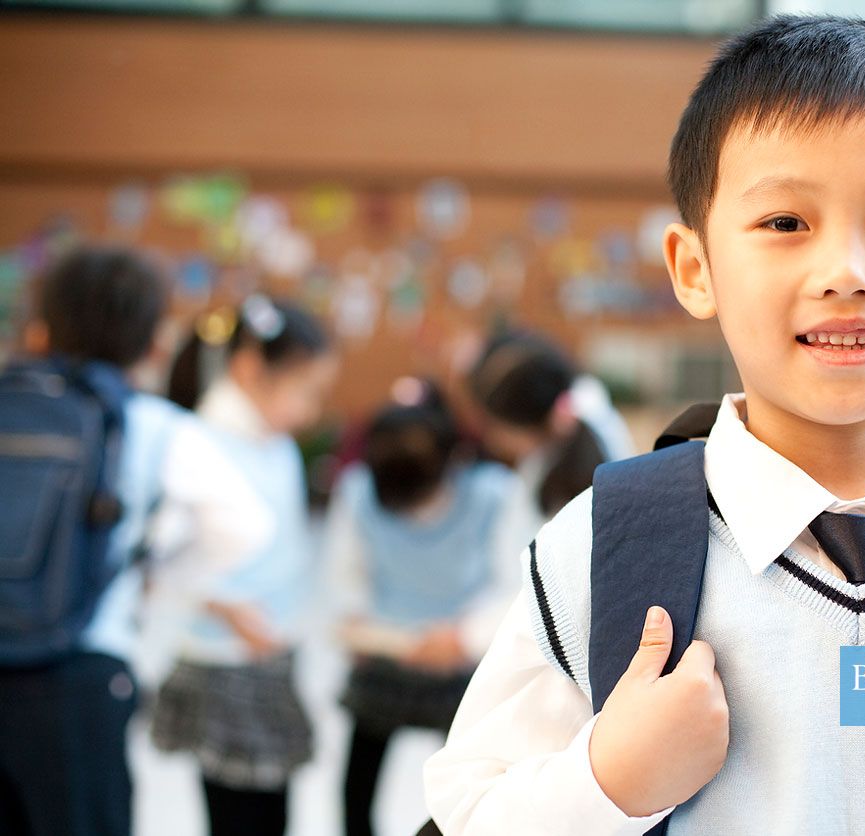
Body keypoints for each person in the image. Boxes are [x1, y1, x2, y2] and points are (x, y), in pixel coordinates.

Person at [423, 16, 865, 835]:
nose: (845, 271)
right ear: (695, 270)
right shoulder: (601, 547)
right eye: (784, 224)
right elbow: (465, 813)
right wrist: (609, 784)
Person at [0, 245, 269, 836]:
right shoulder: (151, 423)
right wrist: (156, 577)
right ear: (152, 343)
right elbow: (245, 526)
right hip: (79, 668)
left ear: (42, 328)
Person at [150, 295, 337, 836]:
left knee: (273, 810)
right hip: (220, 659)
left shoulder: (275, 445)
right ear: (251, 369)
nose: (312, 410)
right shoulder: (197, 443)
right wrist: (222, 606)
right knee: (235, 815)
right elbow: (163, 557)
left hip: (271, 653)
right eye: (308, 392)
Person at [323, 380, 517, 836]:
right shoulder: (358, 492)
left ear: (453, 462)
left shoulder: (493, 494)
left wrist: (463, 636)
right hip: (385, 654)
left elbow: (513, 583)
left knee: (472, 790)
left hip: (461, 661)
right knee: (356, 790)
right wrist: (354, 620)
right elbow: (346, 570)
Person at [465, 331, 634, 581]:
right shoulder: (576, 432)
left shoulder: (568, 474)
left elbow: (516, 572)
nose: (493, 438)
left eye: (495, 426)